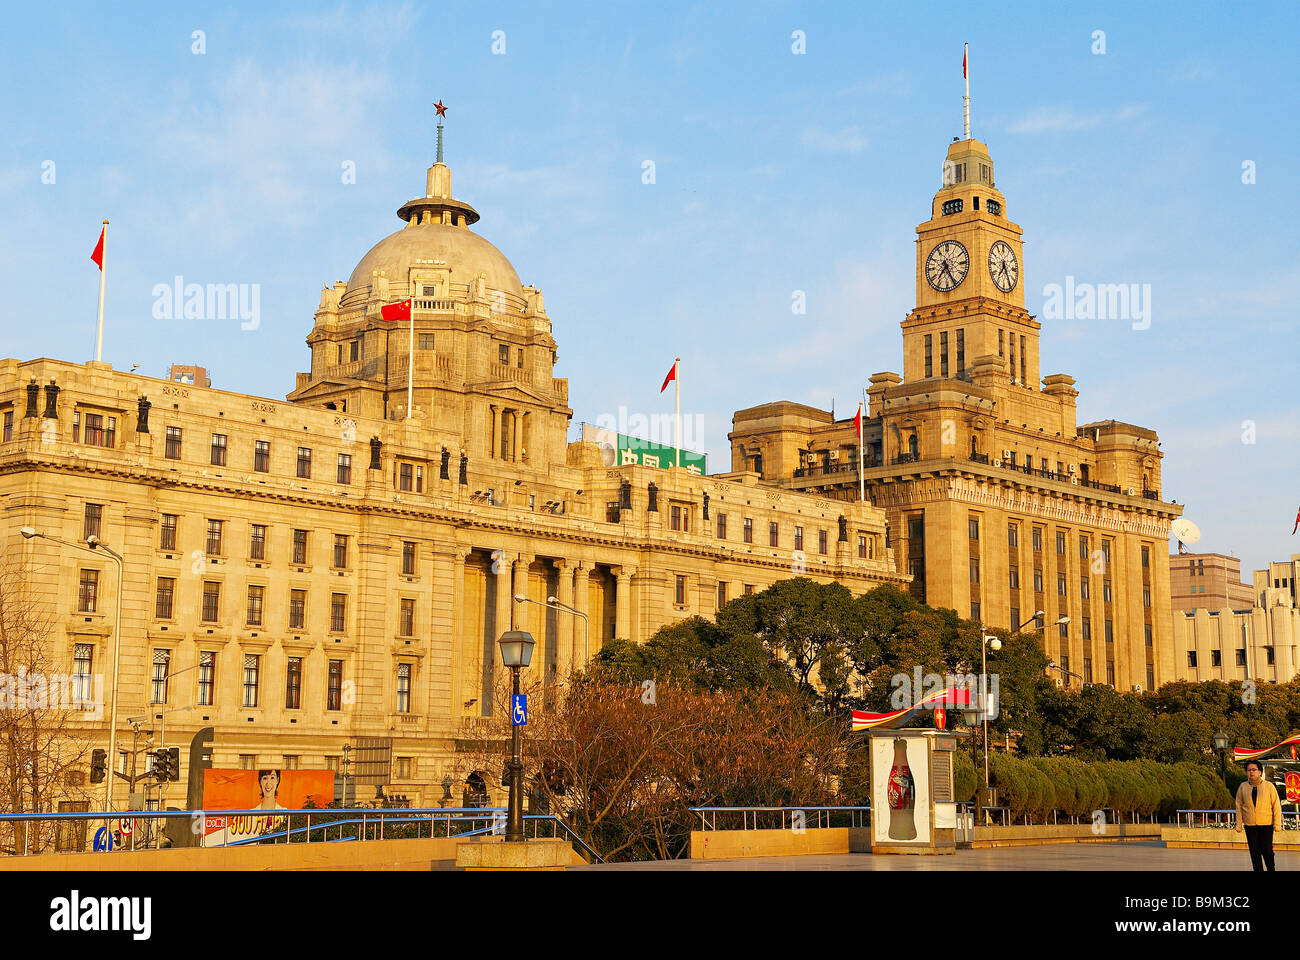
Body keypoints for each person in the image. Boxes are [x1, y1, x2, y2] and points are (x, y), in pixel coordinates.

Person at [1235, 759, 1281, 871]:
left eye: (1254, 770)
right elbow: (1238, 806)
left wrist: (1277, 824)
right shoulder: (1243, 786)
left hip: (1266, 824)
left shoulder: (1269, 786)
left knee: (1267, 850)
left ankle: (1271, 868)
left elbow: (1276, 806)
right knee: (1254, 852)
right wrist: (1239, 824)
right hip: (1250, 825)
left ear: (1260, 772)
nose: (1251, 772)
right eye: (1249, 770)